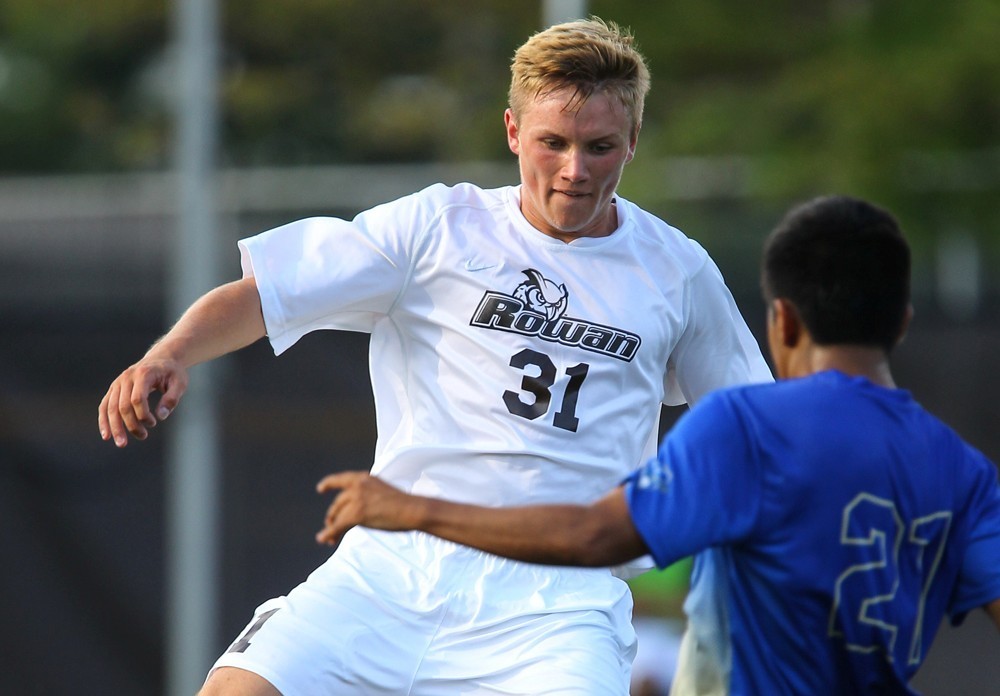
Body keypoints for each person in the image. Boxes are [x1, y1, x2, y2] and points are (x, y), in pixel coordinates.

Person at [98, 17, 771, 696]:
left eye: (599, 147)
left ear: (633, 142)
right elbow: (265, 295)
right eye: (552, 142)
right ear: (512, 132)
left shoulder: (677, 271)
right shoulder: (437, 226)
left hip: (557, 605)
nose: (574, 169)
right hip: (393, 568)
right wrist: (171, 352)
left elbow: (751, 422)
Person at [317, 195, 1000, 695]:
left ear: (783, 321)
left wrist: (417, 510)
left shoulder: (748, 427)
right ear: (903, 323)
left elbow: (591, 536)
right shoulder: (962, 471)